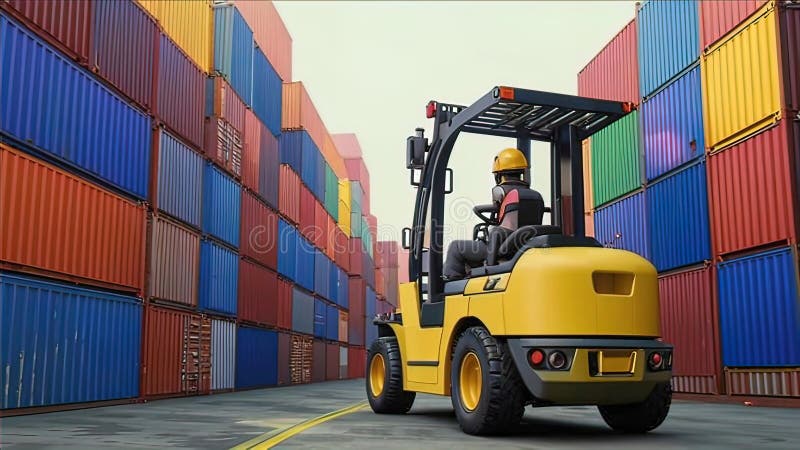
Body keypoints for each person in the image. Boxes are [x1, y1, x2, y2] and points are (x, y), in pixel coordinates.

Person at [443, 148, 530, 280]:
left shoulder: (499, 191)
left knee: (456, 247)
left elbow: (497, 211)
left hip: (502, 244)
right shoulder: (533, 195)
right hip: (524, 242)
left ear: (499, 175)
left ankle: (450, 282)